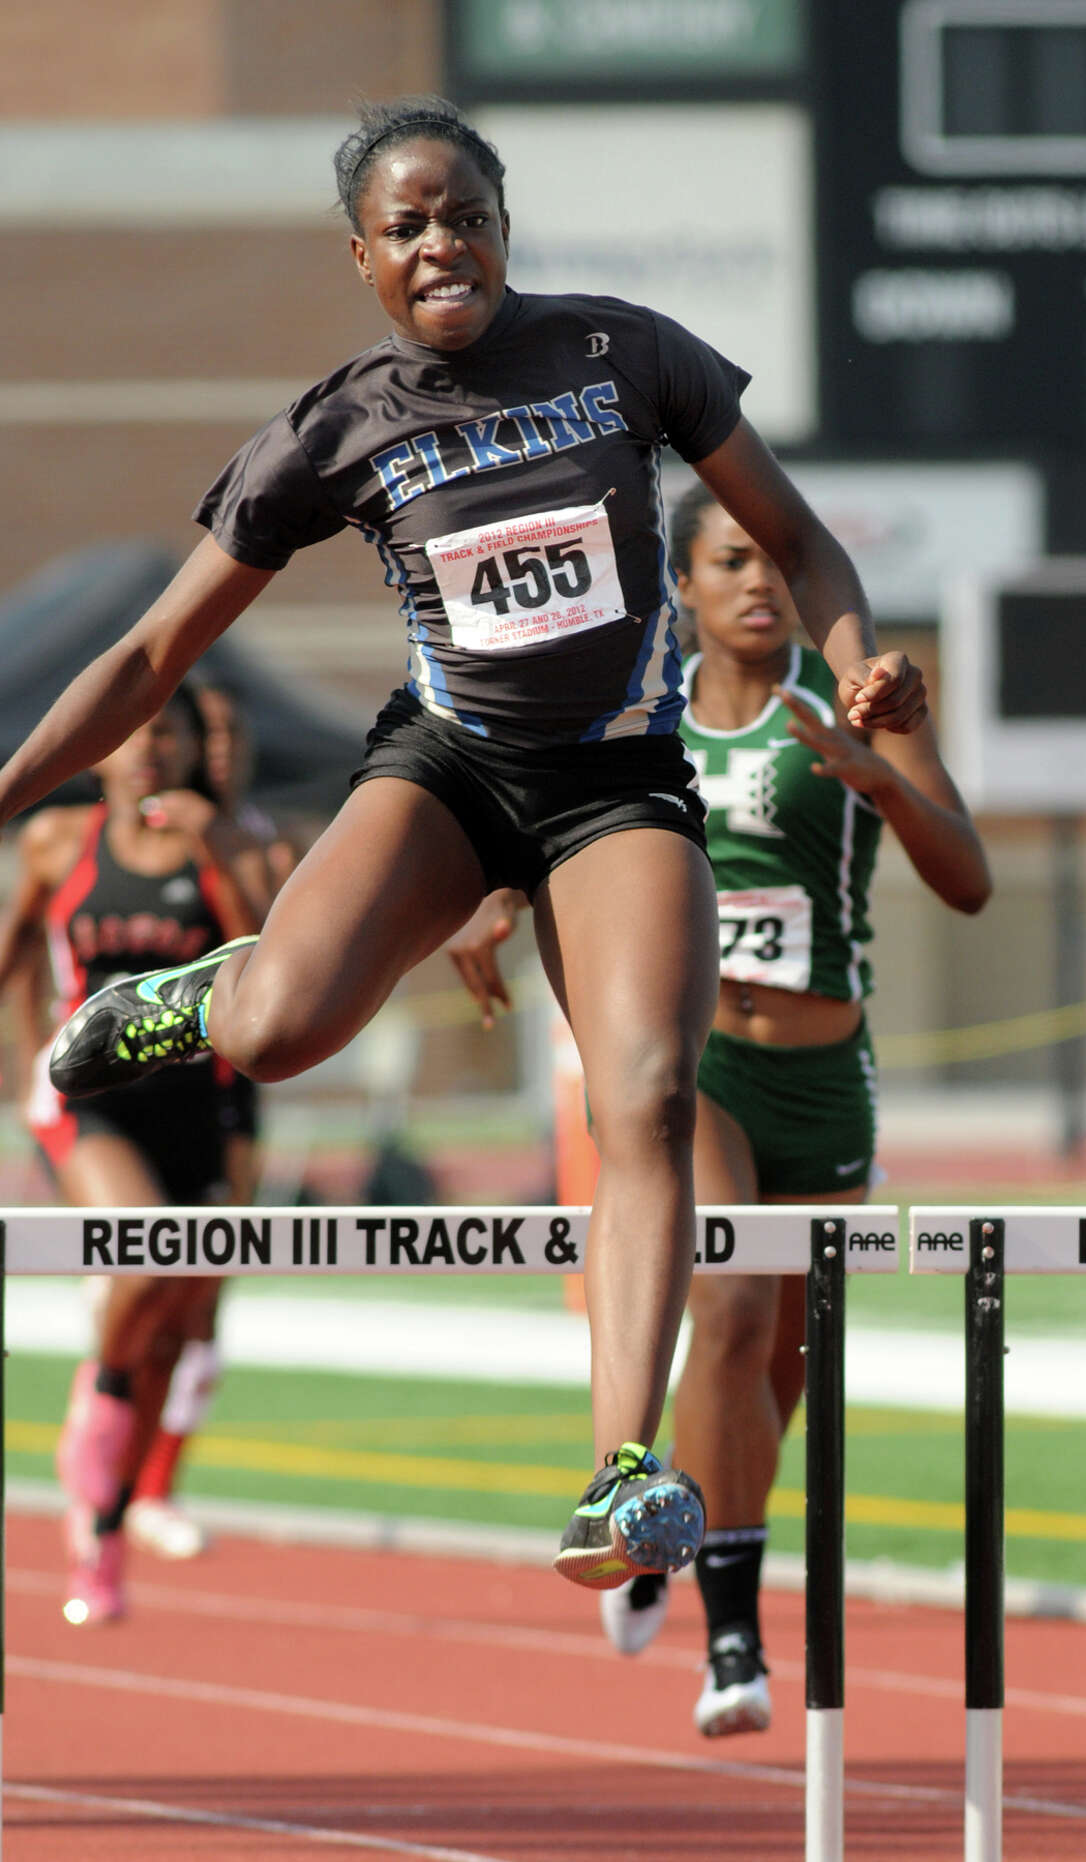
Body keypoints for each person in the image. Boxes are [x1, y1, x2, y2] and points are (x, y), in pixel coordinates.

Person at [1, 96, 926, 1594]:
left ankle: (625, 1470)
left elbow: (807, 544)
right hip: (450, 772)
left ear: (505, 220)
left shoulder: (626, 355)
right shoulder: (339, 423)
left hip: (616, 781)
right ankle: (194, 996)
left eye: (466, 212)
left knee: (645, 1089)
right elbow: (152, 652)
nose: (443, 242)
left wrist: (855, 659)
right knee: (281, 1029)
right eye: (408, 225)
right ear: (362, 253)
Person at [594, 482, 991, 1731]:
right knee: (725, 1309)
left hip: (828, 1074)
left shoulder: (860, 701)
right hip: (700, 1066)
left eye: (777, 561)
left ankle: (682, 1531)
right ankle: (735, 1643)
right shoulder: (637, 722)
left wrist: (878, 775)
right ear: (688, 587)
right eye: (730, 561)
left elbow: (967, 878)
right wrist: (494, 908)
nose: (763, 581)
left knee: (780, 1367)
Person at [0, 687, 267, 1621]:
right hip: (88, 1103)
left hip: (200, 1106)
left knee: (178, 1318)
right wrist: (25, 1047)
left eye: (170, 734)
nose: (149, 749)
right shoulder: (58, 843)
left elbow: (278, 966)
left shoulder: (222, 844)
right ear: (103, 751)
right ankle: (100, 1407)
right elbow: (10, 958)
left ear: (197, 748)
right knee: (145, 1247)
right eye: (135, 733)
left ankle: (109, 1518)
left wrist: (225, 844)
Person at [125, 681, 299, 1560]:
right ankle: (116, 1469)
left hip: (234, 1102)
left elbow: (279, 961)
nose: (219, 750)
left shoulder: (263, 844)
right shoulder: (133, 835)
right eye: (208, 735)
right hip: (139, 1103)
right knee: (139, 1285)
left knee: (204, 1298)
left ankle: (156, 1484)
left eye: (232, 734)